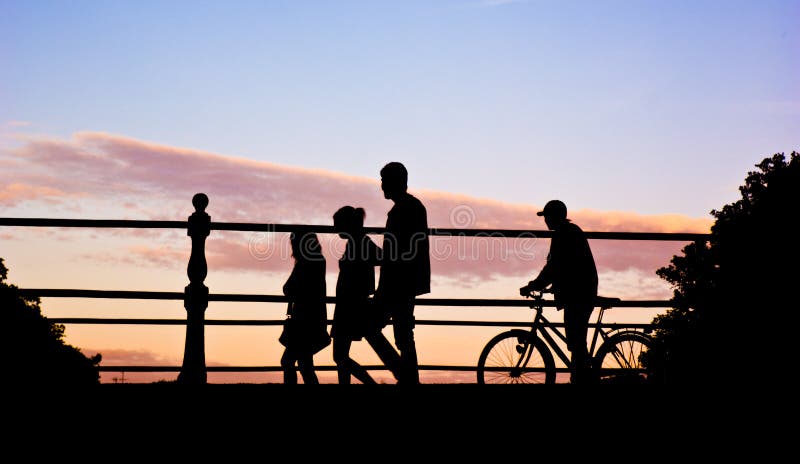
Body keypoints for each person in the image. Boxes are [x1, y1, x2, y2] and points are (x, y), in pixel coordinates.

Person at [519, 200, 598, 384]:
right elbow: (564, 266)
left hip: (578, 294)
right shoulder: (570, 231)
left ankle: (582, 379)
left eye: (546, 216)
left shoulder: (563, 234)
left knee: (576, 340)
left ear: (554, 216)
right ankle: (581, 377)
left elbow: (554, 266)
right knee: (576, 339)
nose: (545, 220)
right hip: (581, 290)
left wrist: (533, 285)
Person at [331, 206, 404, 384]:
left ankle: (382, 380)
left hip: (351, 304)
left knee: (341, 354)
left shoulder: (361, 242)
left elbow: (384, 257)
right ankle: (399, 373)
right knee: (367, 342)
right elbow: (384, 257)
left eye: (337, 224)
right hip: (353, 302)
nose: (334, 228)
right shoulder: (359, 242)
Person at [375, 162, 431, 384]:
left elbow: (397, 253)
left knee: (371, 326)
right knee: (404, 333)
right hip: (406, 281)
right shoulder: (412, 206)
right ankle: (409, 377)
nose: (381, 186)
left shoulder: (403, 210)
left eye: (383, 181)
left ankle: (404, 374)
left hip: (397, 282)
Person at [279, 231, 330, 384]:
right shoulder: (318, 260)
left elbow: (288, 288)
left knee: (289, 361)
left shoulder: (304, 262)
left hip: (303, 320)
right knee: (304, 364)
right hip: (314, 318)